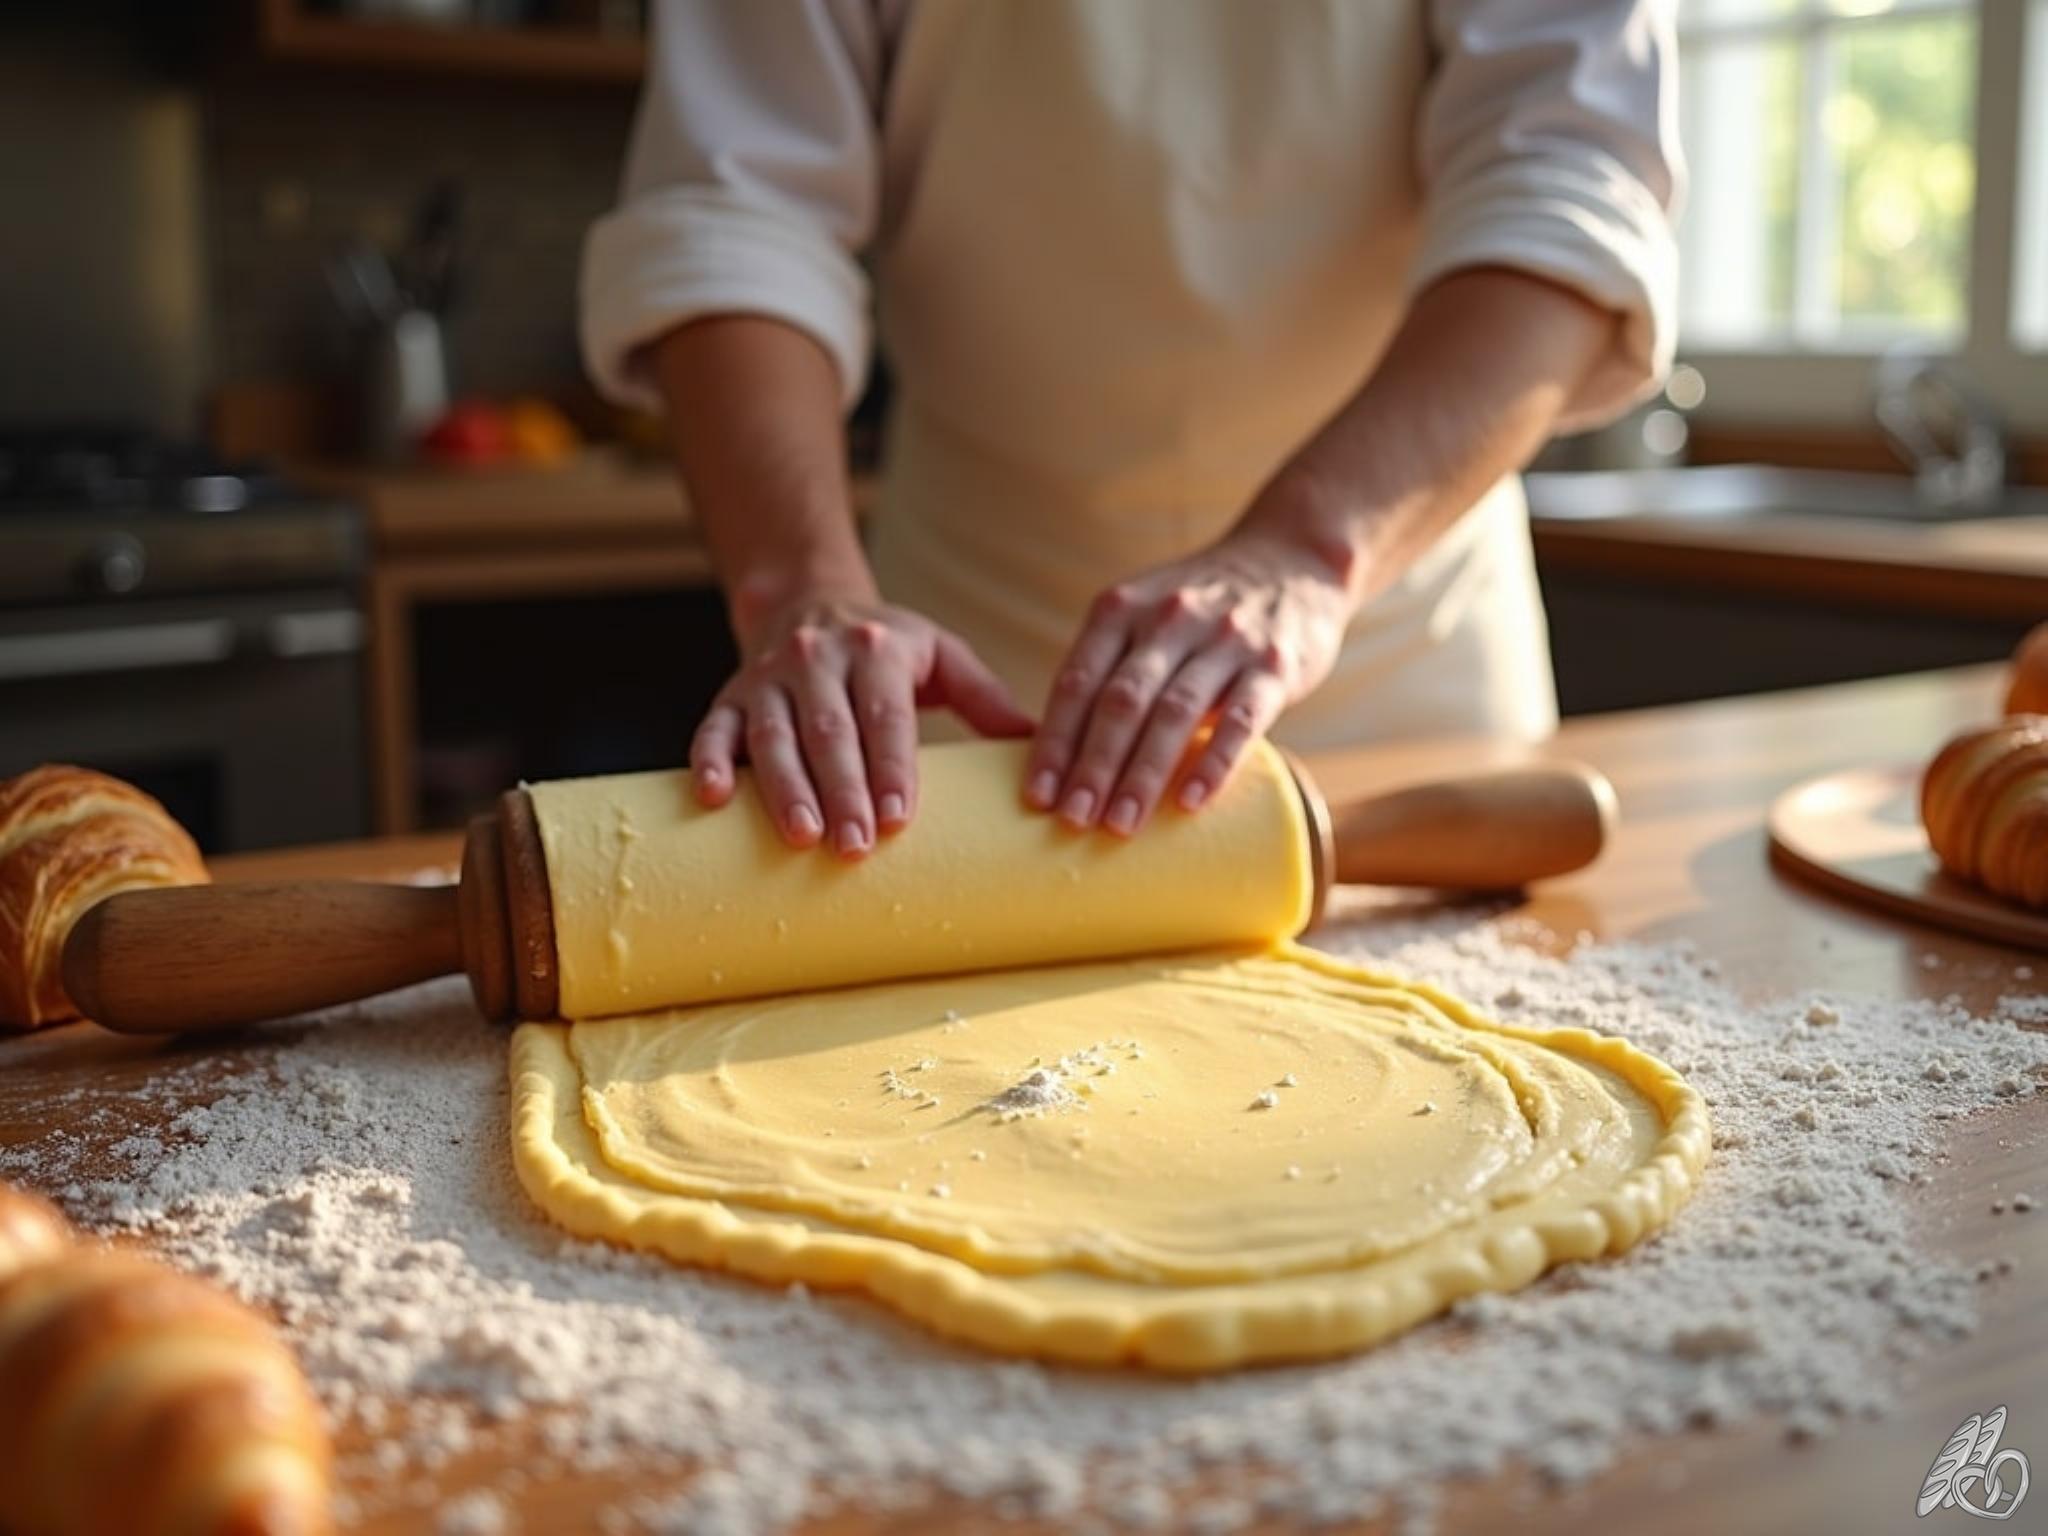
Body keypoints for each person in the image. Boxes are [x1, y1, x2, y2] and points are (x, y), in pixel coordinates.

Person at [582, 0, 1679, 857]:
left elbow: (1567, 188)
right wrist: (799, 590)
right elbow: (738, 214)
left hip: (1400, 662)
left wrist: (1308, 548)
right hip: (962, 704)